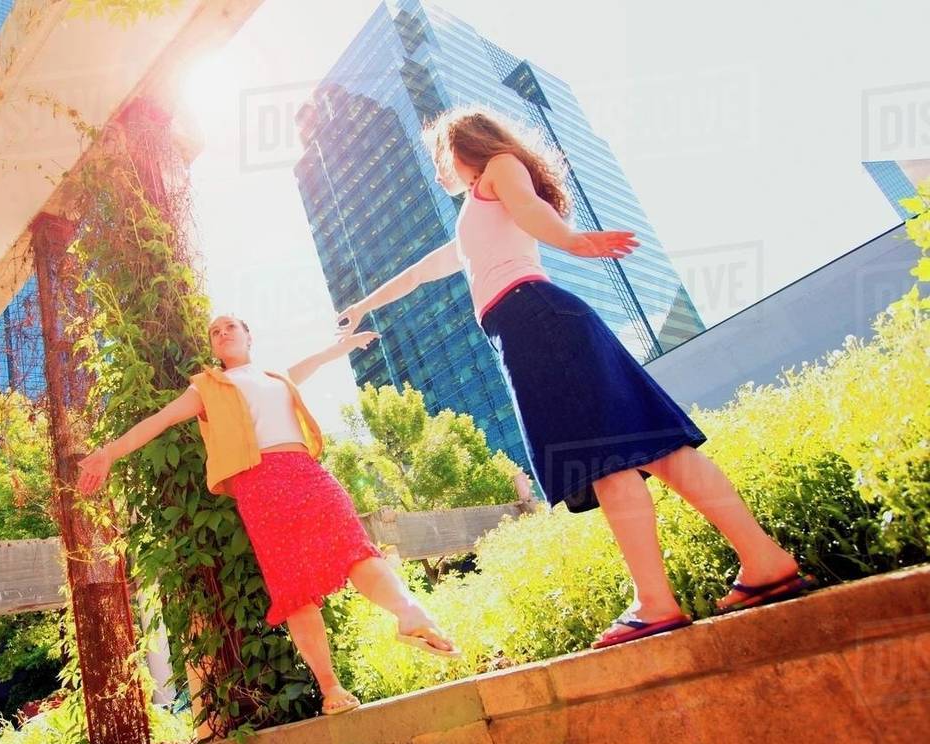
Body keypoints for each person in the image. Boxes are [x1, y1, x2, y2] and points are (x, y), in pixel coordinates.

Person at [336, 107, 814, 649]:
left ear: (459, 146)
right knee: (655, 447)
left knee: (605, 456)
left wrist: (572, 241)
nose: (439, 168)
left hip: (533, 320)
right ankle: (765, 561)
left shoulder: (498, 168)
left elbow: (530, 208)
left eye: (439, 156)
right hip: (540, 320)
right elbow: (424, 270)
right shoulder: (474, 215)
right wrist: (364, 304)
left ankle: (655, 603)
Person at [76, 315, 459, 716]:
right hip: (259, 484)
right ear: (213, 346)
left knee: (354, 548)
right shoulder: (206, 387)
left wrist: (341, 347)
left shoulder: (276, 376)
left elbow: (311, 363)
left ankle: (408, 614)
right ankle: (331, 688)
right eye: (215, 332)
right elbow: (161, 420)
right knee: (292, 585)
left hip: (305, 471)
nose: (223, 334)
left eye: (230, 328)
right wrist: (109, 453)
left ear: (248, 336)